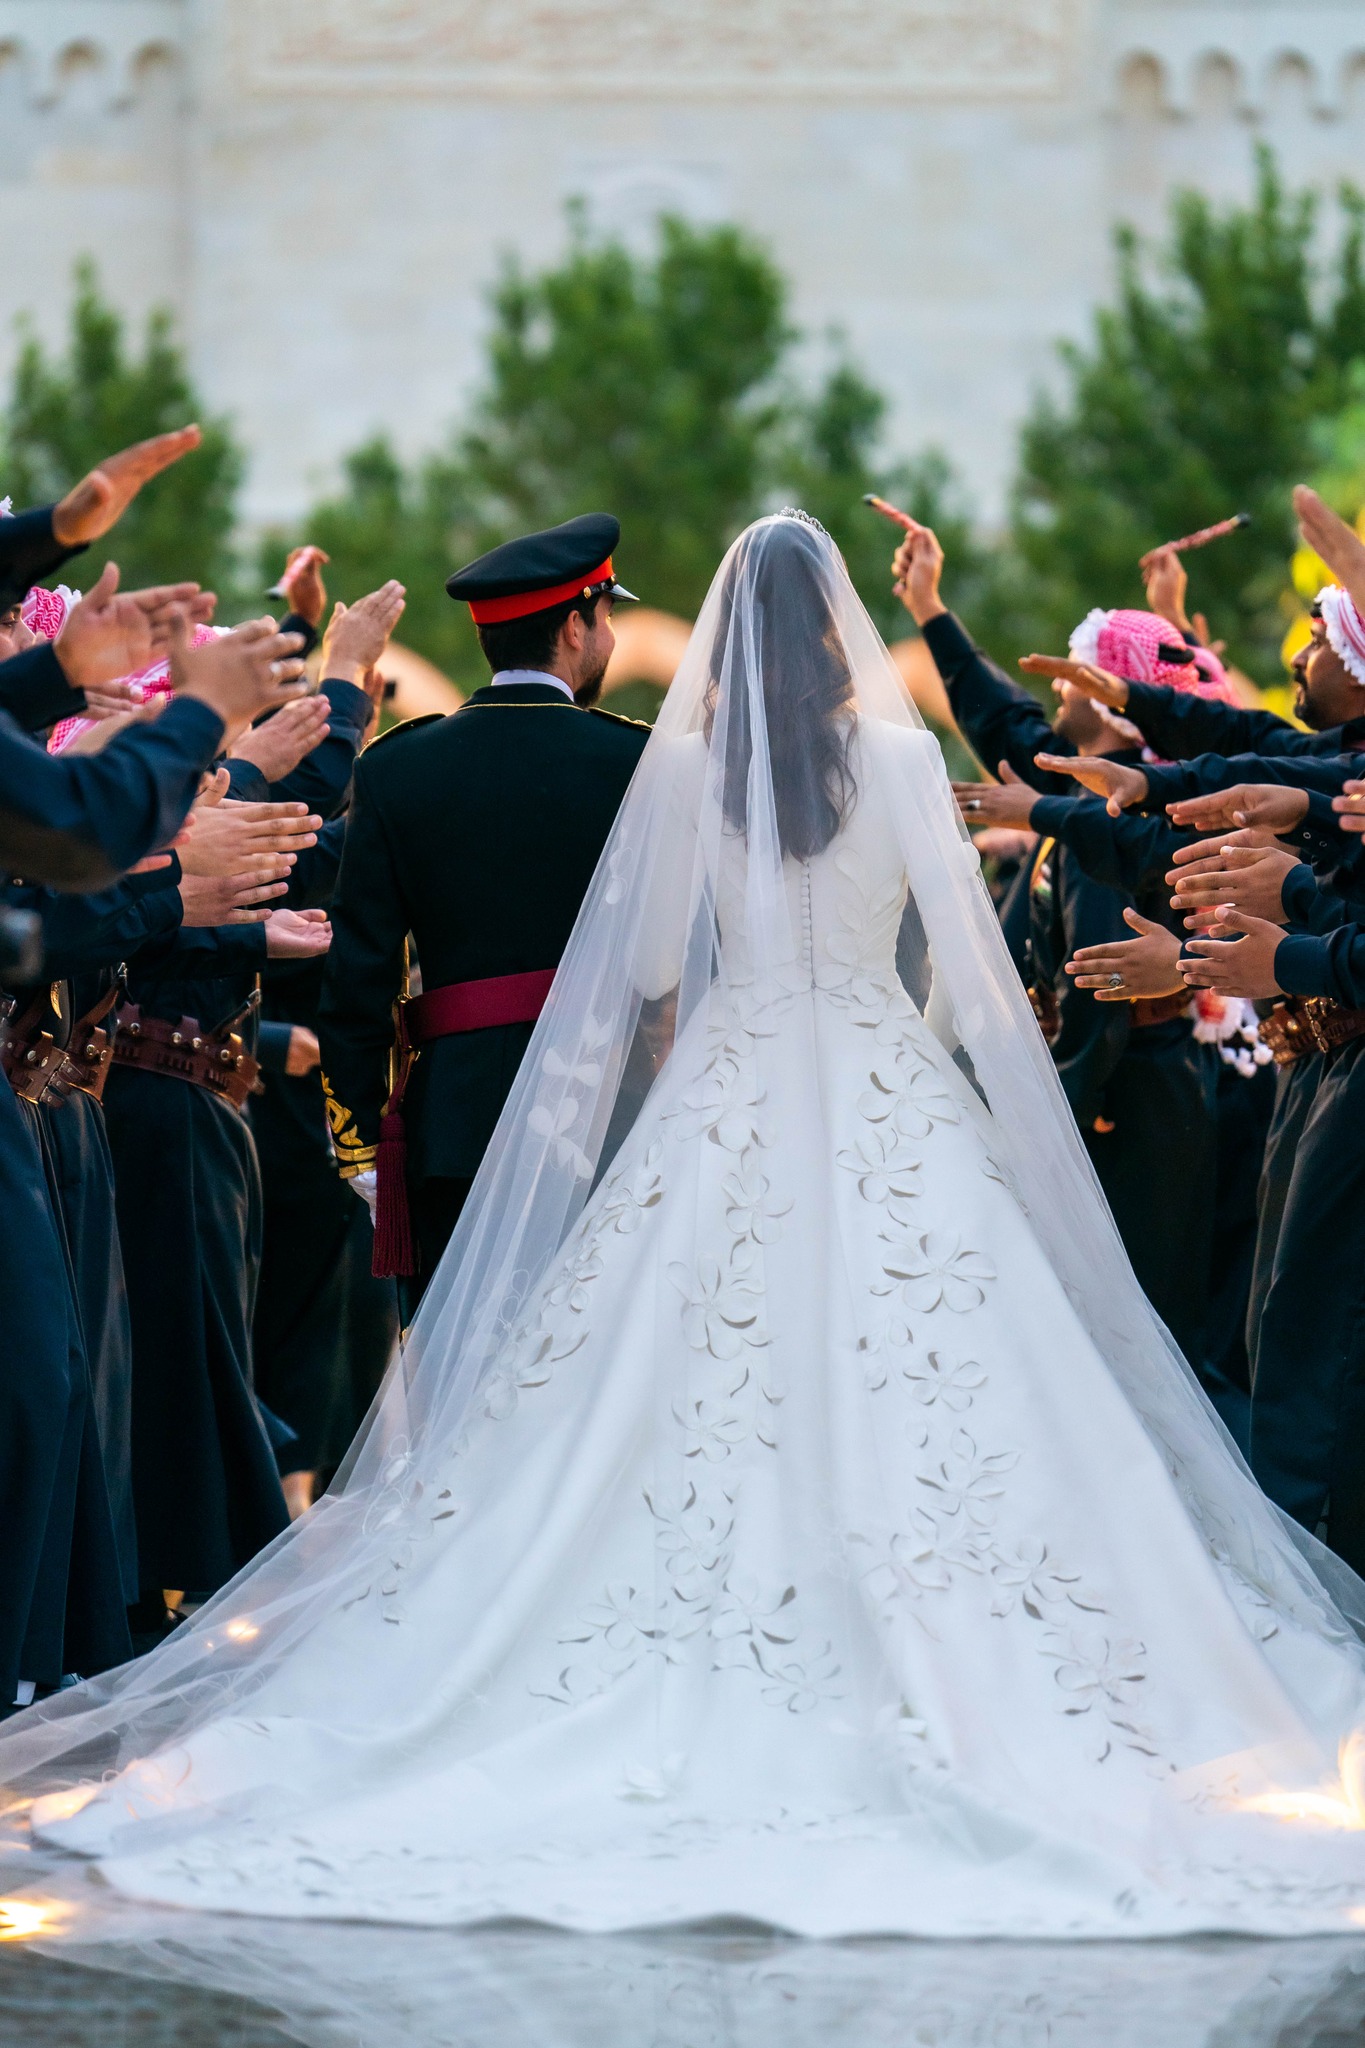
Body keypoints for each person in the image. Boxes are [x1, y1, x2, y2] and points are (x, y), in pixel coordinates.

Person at [17, 513, 1365, 1939]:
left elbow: (653, 965)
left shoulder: (686, 774)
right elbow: (939, 961)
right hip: (880, 1071)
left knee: (652, 1389)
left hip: (727, 1079)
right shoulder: (906, 762)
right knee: (948, 1375)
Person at [891, 519, 1220, 1362]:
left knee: (1132, 1334)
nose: (1058, 693)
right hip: (1110, 1086)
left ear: (1112, 703)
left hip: (1126, 1103)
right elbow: (1004, 722)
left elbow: (1096, 997)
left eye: (1079, 676)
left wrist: (1040, 1126)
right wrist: (930, 608)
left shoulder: (1120, 818)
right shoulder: (1083, 788)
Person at [318, 513, 648, 1314]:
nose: (609, 638)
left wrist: (359, 1141)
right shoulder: (637, 762)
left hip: (451, 1129)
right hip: (610, 1118)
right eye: (605, 618)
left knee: (462, 1399)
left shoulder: (397, 766)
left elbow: (357, 975)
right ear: (574, 627)